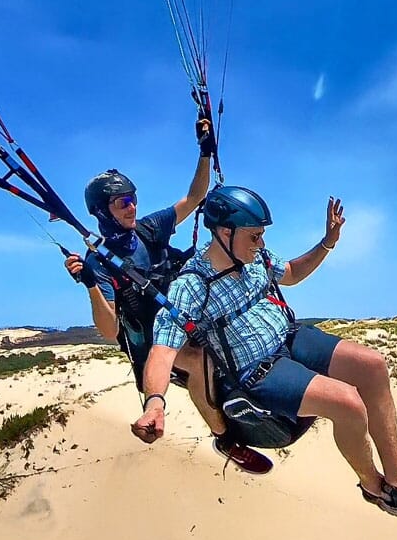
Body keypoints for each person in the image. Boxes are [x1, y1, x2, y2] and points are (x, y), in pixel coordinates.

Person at [131, 185, 397, 531]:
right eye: (254, 236)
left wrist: (327, 243)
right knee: (348, 403)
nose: (260, 243)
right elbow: (162, 349)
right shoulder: (192, 285)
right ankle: (373, 485)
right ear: (224, 233)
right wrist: (155, 403)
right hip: (258, 371)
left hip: (291, 338)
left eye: (261, 236)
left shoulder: (254, 256)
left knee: (372, 365)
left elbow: (289, 273)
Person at [65, 121, 273, 475]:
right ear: (102, 211)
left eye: (134, 199)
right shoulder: (99, 263)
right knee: (201, 359)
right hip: (156, 343)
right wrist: (89, 284)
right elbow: (110, 330)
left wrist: (205, 151)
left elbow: (194, 198)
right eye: (123, 202)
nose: (132, 208)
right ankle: (224, 438)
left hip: (188, 317)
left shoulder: (149, 228)